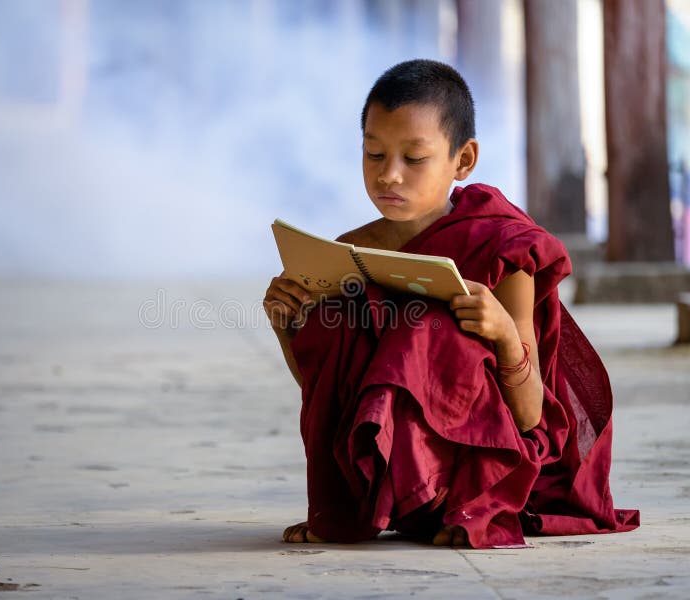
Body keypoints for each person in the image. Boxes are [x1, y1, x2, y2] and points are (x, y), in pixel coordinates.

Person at [262, 59, 639, 548]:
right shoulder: (349, 252)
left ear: (463, 161)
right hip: (384, 475)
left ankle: (463, 506)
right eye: (374, 154)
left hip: (487, 467)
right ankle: (367, 507)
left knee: (430, 328)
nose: (389, 176)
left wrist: (504, 333)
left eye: (413, 159)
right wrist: (287, 324)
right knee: (342, 324)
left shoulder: (502, 247)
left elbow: (530, 419)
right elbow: (332, 388)